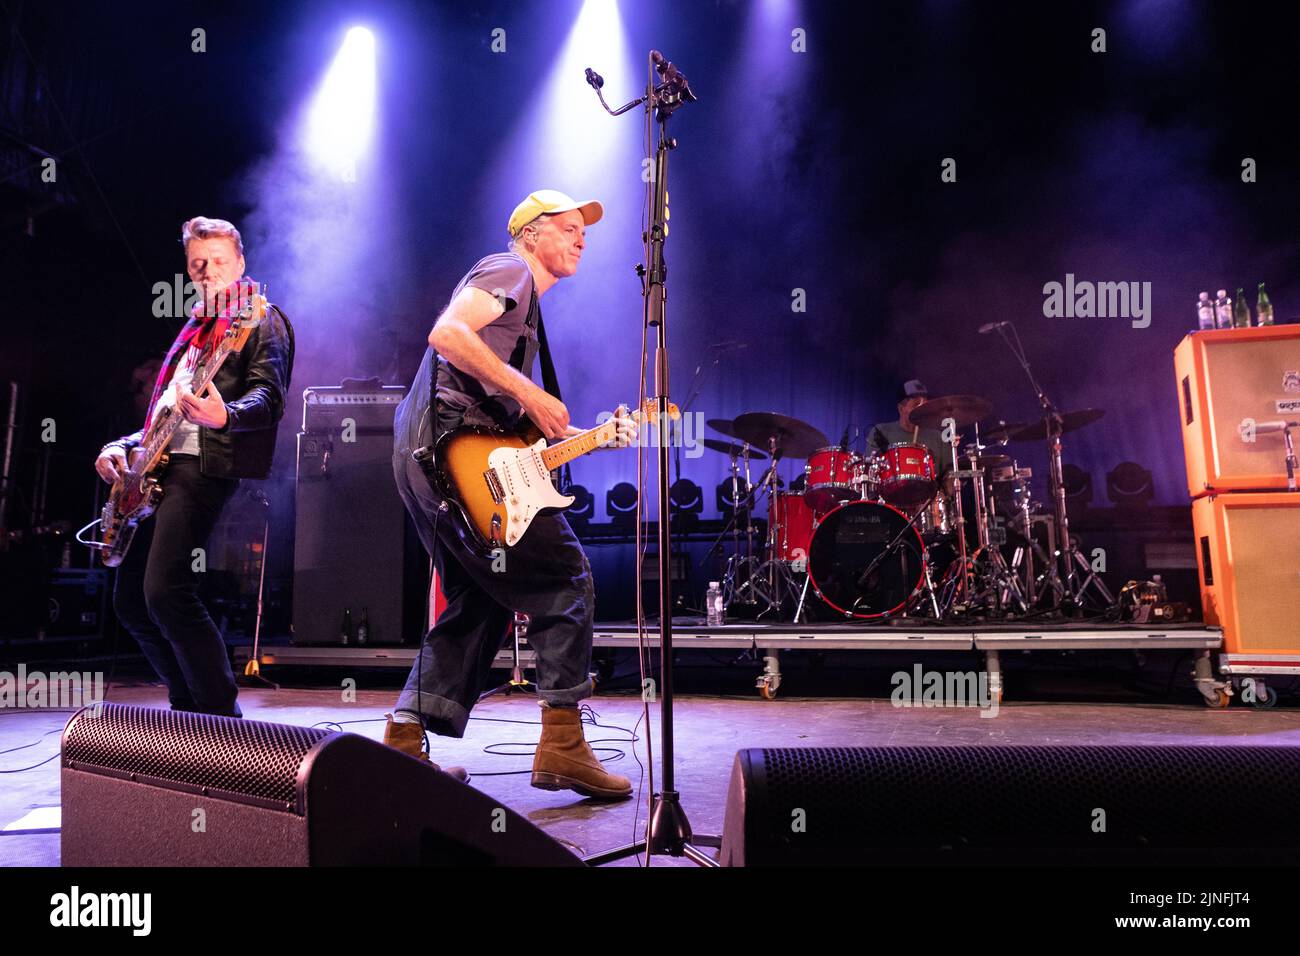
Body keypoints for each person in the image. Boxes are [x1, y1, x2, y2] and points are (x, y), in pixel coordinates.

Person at [387, 189, 636, 799]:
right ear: (530, 235)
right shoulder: (509, 271)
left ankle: (402, 743)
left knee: (483, 599)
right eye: (570, 226)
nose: (583, 238)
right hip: (450, 451)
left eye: (586, 230)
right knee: (566, 576)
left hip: (439, 456)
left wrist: (592, 438)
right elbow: (447, 334)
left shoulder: (521, 314)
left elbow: (514, 429)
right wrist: (531, 394)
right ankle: (562, 744)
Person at [94, 216, 295, 717]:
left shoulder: (261, 320)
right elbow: (162, 415)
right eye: (197, 264)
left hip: (204, 465)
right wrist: (122, 445)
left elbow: (269, 398)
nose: (208, 272)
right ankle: (187, 706)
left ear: (241, 263)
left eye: (219, 262)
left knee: (166, 591)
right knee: (131, 604)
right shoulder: (195, 334)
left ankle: (219, 715)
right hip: (159, 466)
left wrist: (226, 413)